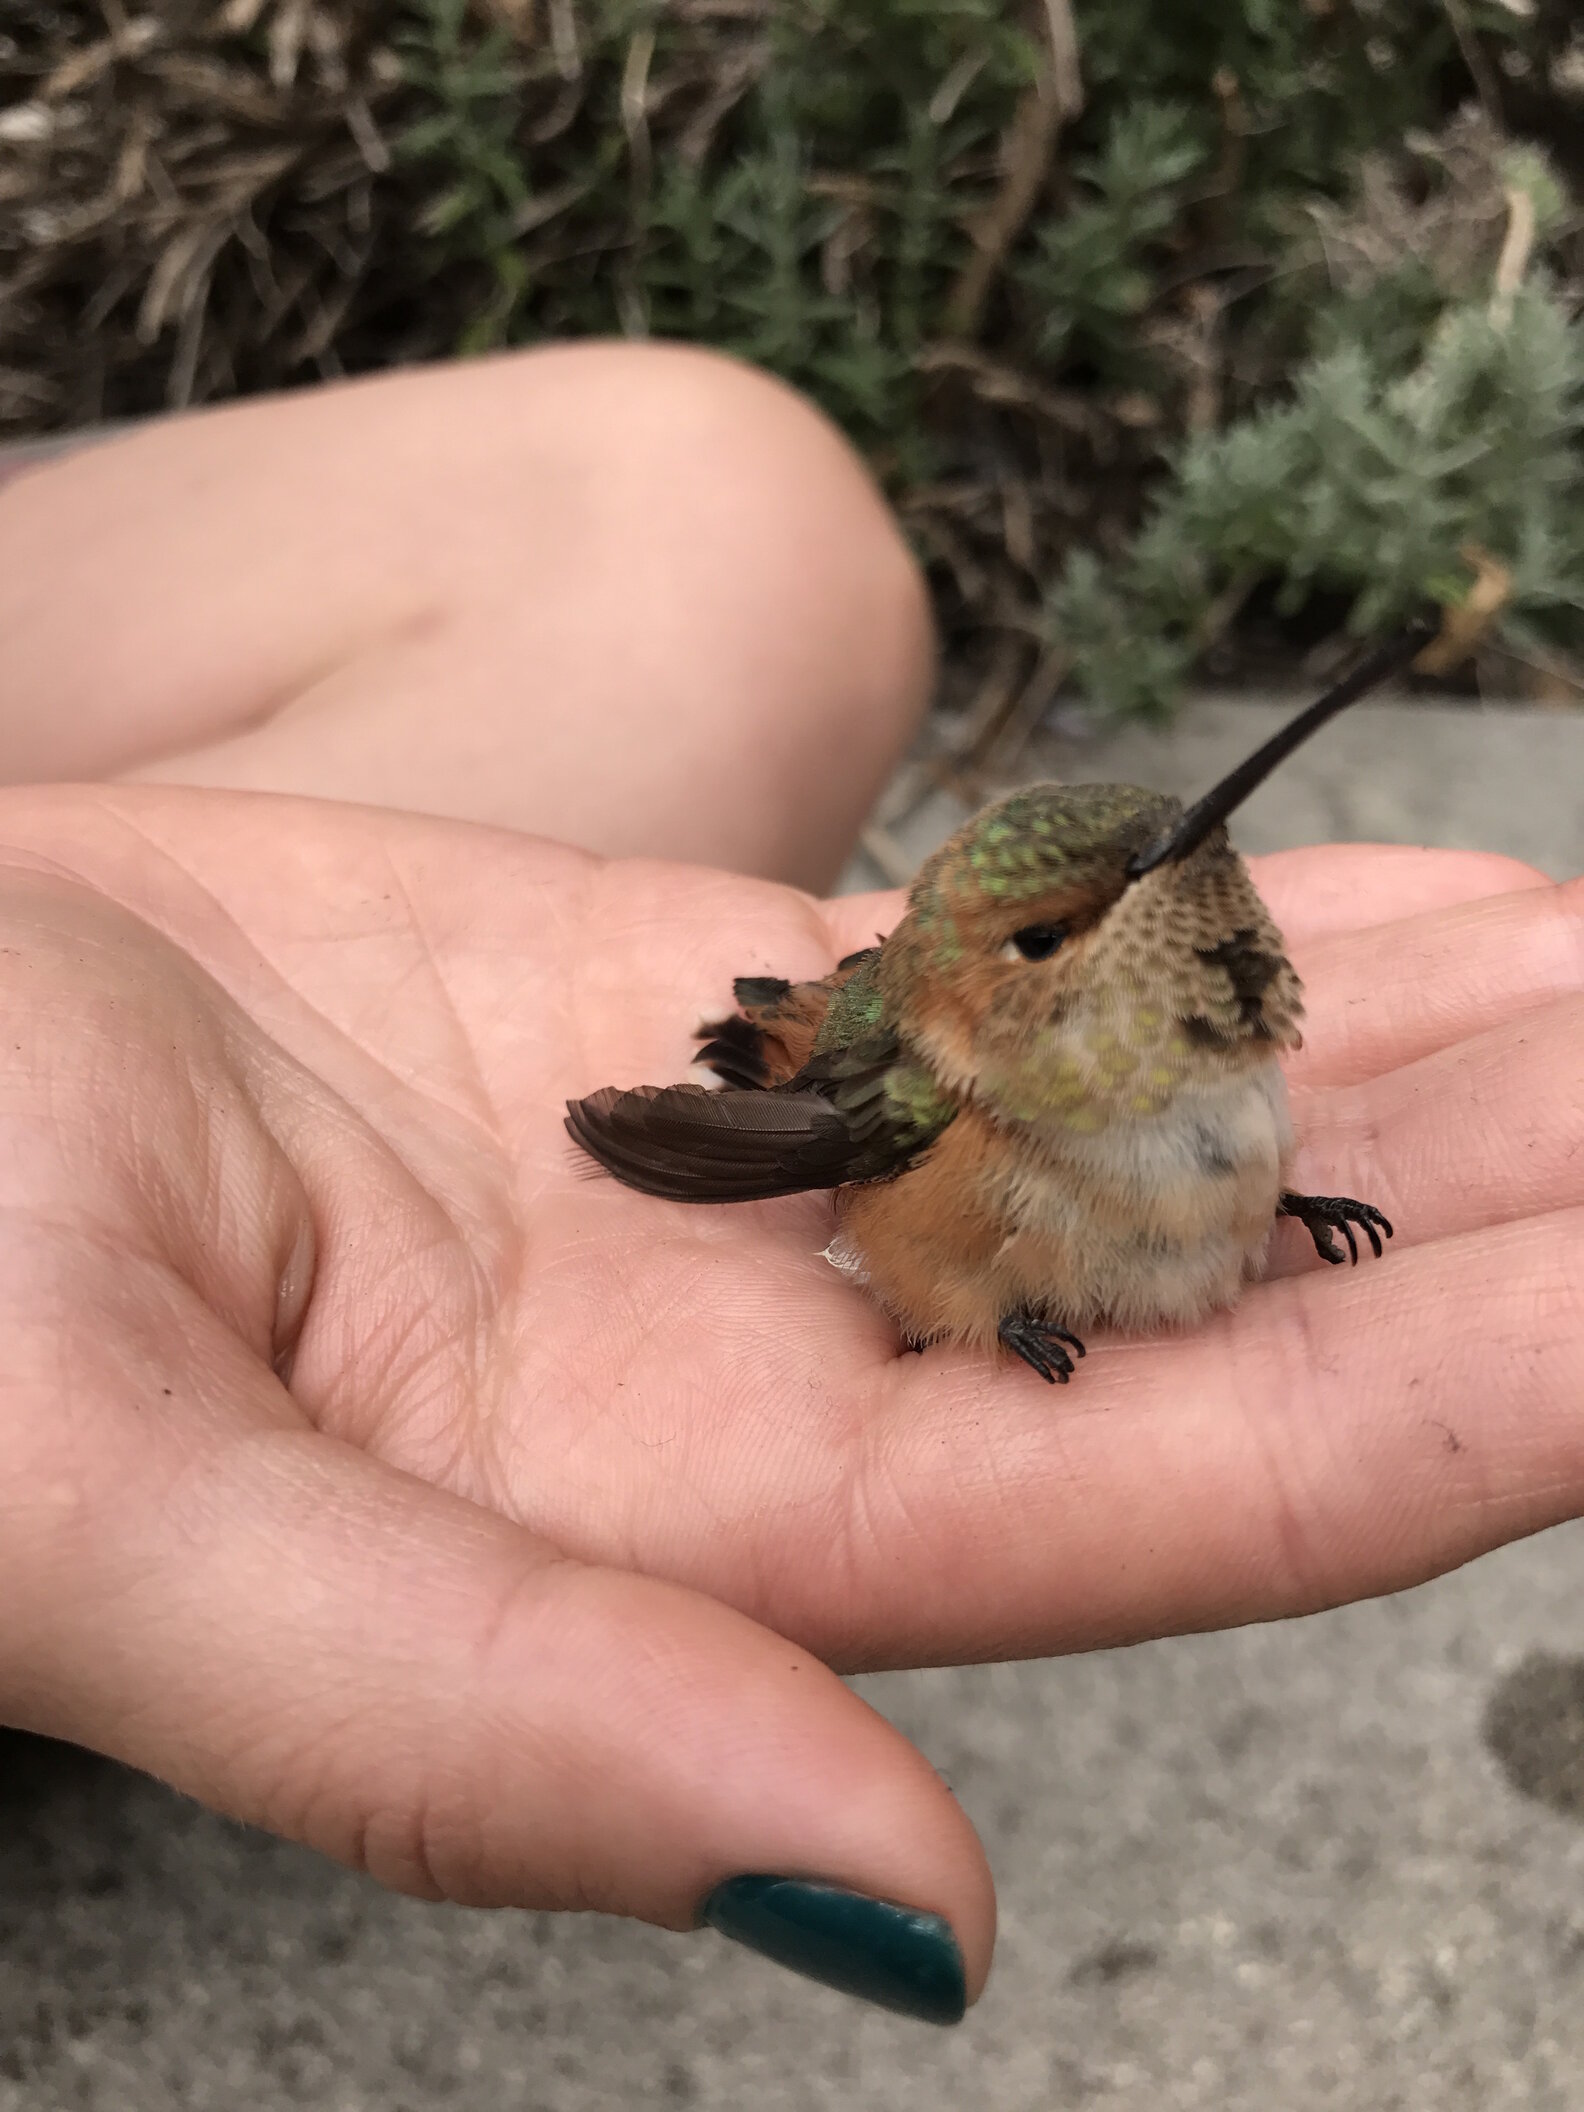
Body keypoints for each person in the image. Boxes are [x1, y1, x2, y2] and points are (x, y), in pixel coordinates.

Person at [0, 343, 1578, 2025]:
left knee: (735, 521)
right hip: (931, 1147)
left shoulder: (1198, 1036)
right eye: (1063, 934)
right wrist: (995, 1308)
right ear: (1006, 991)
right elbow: (860, 1161)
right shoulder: (940, 1093)